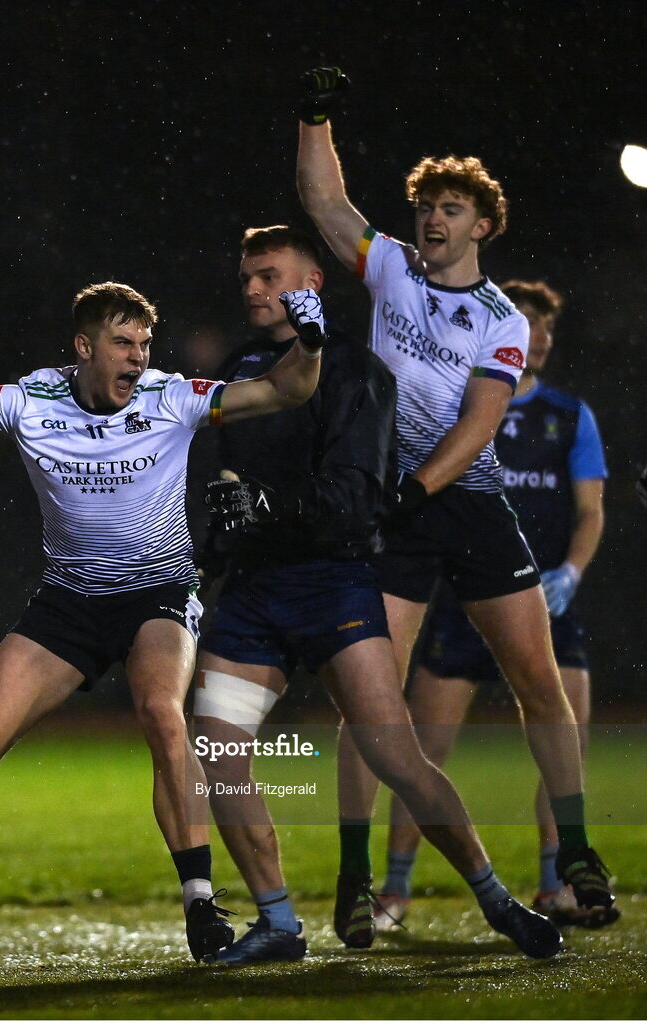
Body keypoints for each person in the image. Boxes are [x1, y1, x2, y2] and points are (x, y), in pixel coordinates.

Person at [0, 259, 326, 977]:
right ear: (84, 348)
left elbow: (286, 388)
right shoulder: (32, 400)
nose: (139, 357)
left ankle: (200, 902)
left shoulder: (171, 396)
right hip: (69, 601)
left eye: (144, 344)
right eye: (124, 344)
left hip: (158, 593)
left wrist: (311, 344)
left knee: (161, 713)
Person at [295, 66, 616, 940]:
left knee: (539, 684)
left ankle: (576, 851)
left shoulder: (503, 319)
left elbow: (477, 428)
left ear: (483, 225)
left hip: (464, 505)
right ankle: (356, 875)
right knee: (369, 703)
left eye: (451, 209)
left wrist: (410, 490)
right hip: (394, 511)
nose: (433, 219)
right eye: (426, 207)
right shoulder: (391, 269)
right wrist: (315, 116)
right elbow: (324, 203)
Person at [192, 226, 563, 967]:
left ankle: (497, 900)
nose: (253, 289)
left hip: (335, 587)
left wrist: (268, 506)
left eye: (269, 276)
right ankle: (278, 922)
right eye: (246, 279)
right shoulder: (241, 368)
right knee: (219, 751)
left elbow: (356, 500)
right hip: (256, 596)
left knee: (395, 755)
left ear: (312, 284)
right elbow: (229, 486)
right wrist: (210, 558)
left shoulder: (357, 371)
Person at [374, 279, 618, 931]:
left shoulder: (568, 416)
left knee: (564, 738)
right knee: (422, 747)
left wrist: (570, 573)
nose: (539, 337)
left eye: (547, 327)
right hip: (460, 603)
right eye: (527, 323)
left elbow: (591, 511)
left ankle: (557, 883)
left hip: (542, 603)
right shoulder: (459, 405)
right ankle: (394, 890)